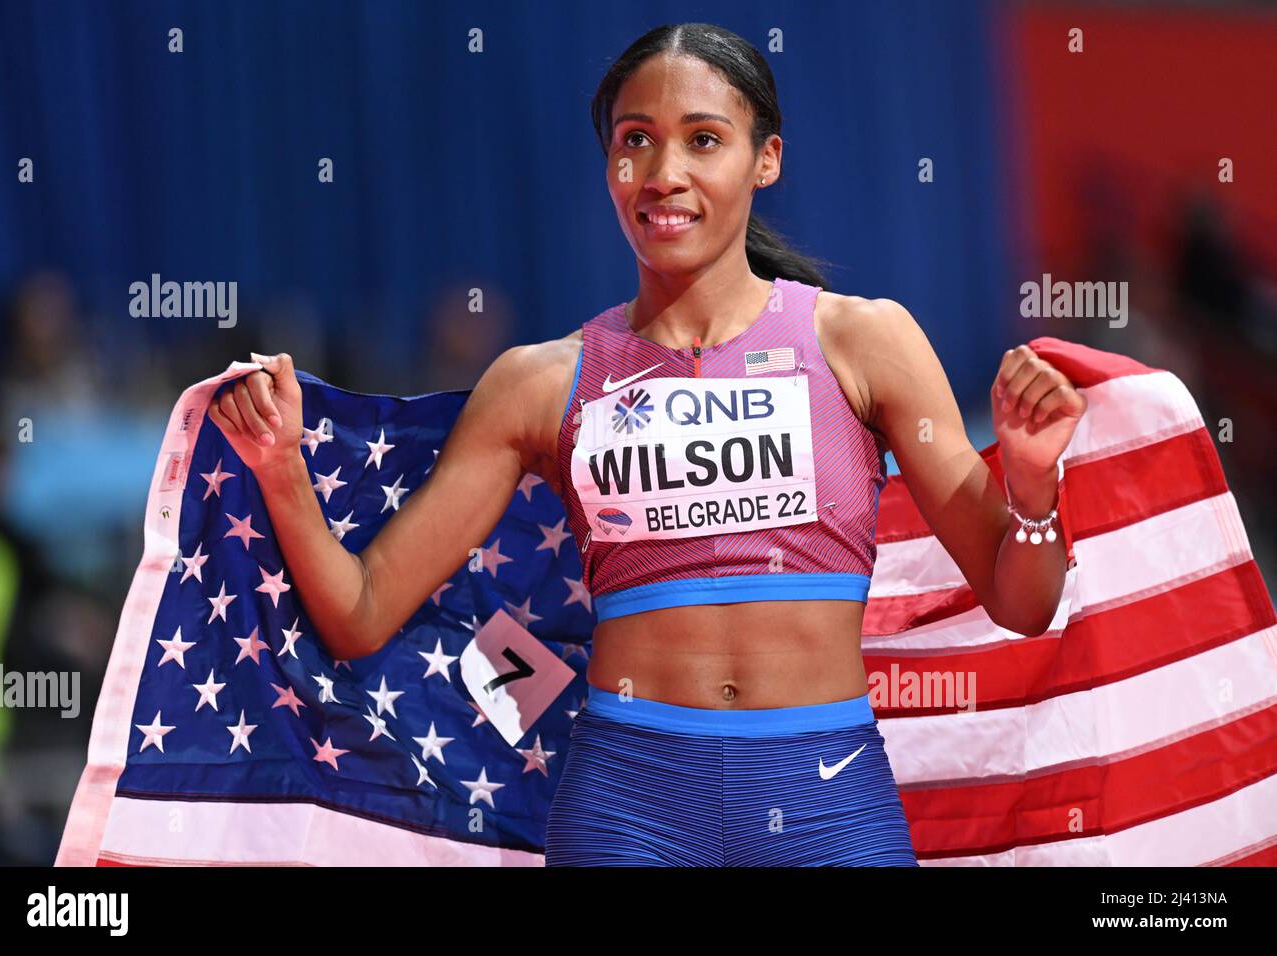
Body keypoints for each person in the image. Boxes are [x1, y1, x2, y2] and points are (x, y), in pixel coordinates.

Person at [207, 22, 1086, 866]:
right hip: (629, 810)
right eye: (636, 140)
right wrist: (280, 469)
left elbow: (1023, 602)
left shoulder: (866, 342)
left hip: (828, 800)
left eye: (705, 139)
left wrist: (1035, 481)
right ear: (610, 167)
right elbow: (361, 615)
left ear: (765, 159)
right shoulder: (540, 383)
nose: (663, 173)